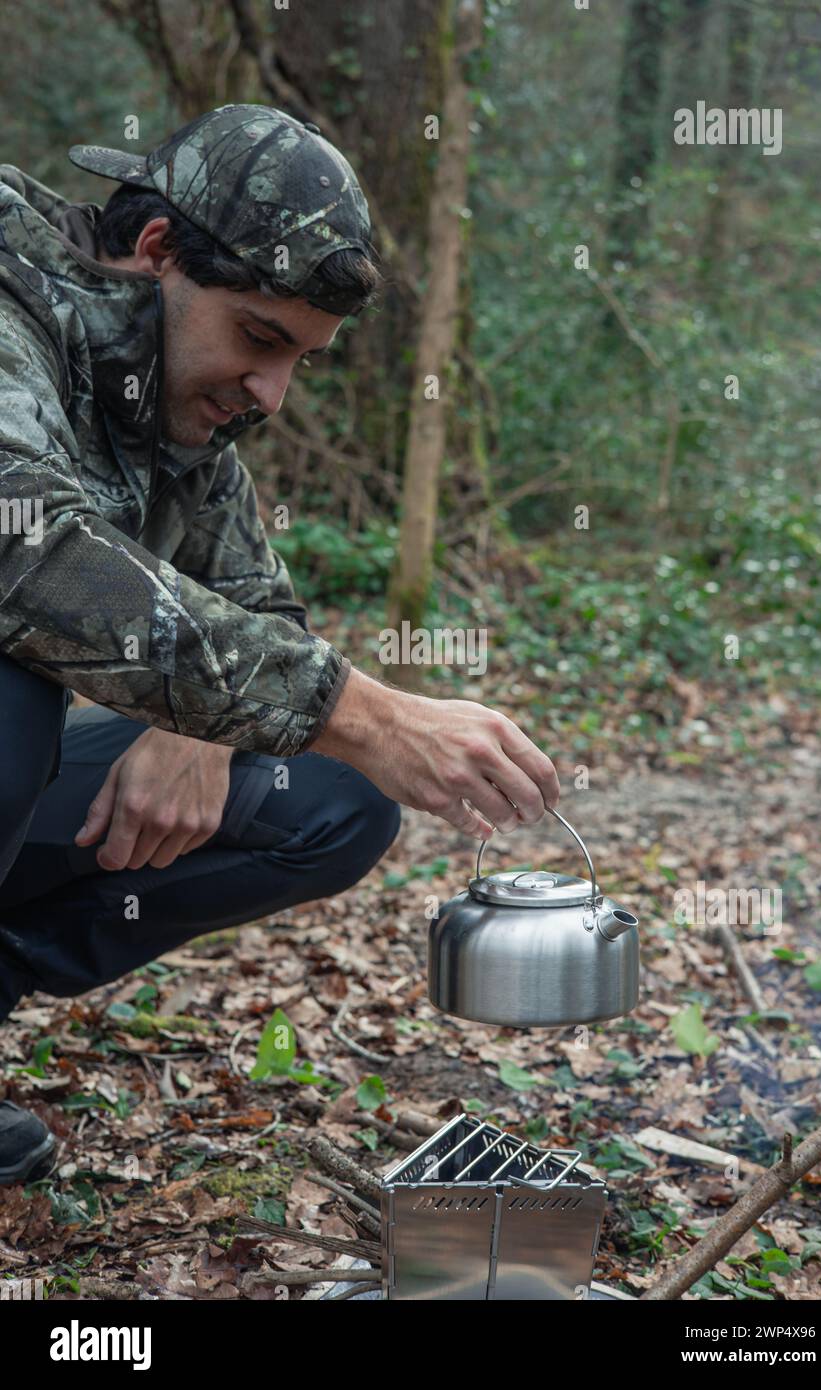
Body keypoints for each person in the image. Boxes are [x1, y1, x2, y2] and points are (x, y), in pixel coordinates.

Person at [0, 105, 559, 1185]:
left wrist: (203, 721)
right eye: (260, 339)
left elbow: (264, 618)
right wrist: (365, 711)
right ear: (156, 250)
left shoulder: (174, 409)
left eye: (300, 360)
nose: (269, 393)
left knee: (326, 796)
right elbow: (30, 561)